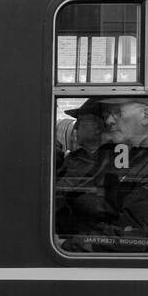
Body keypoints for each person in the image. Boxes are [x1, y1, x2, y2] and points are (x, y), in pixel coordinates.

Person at [62, 97, 148, 251]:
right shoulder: (137, 153)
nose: (109, 121)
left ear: (145, 116)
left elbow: (132, 239)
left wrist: (69, 245)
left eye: (117, 113)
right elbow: (113, 203)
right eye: (107, 115)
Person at [55, 97, 116, 235]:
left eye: (81, 122)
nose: (75, 127)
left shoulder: (114, 159)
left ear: (97, 128)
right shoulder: (72, 158)